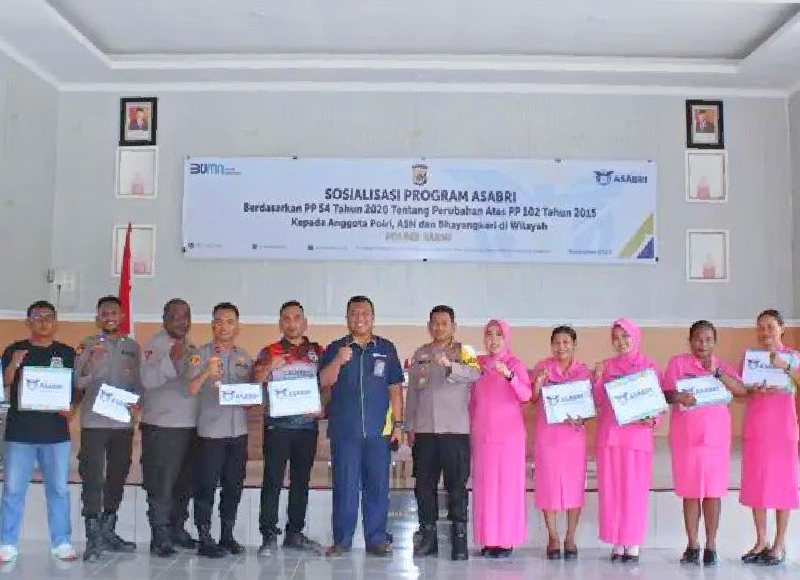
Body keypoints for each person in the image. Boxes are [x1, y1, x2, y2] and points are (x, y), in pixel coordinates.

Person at [319, 296, 404, 557]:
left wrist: (398, 425)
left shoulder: (386, 348)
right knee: (345, 486)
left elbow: (395, 389)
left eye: (365, 313)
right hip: (345, 432)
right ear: (347, 318)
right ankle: (342, 541)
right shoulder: (335, 348)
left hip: (379, 432)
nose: (360, 318)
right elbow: (323, 381)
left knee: (378, 486)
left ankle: (376, 539)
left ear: (373, 317)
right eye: (354, 314)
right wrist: (338, 361)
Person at [0, 301, 78, 563]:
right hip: (20, 433)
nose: (43, 322)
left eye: (48, 317)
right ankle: (7, 543)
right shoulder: (14, 350)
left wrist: (71, 408)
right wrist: (13, 365)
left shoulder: (67, 353)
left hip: (56, 435)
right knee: (12, 490)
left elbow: (76, 389)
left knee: (58, 489)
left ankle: (62, 541)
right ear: (27, 322)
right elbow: (5, 385)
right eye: (37, 317)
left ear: (55, 322)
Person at [663, 320, 745, 566]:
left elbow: (741, 391)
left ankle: (711, 546)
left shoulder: (722, 367)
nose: (703, 344)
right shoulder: (677, 364)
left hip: (715, 441)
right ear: (690, 341)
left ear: (715, 343)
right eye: (698, 339)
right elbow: (665, 393)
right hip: (686, 440)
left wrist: (717, 373)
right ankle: (692, 545)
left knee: (712, 493)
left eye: (708, 339)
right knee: (690, 493)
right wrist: (679, 396)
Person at [405, 305, 480, 561]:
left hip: (455, 431)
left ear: (453, 326)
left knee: (456, 486)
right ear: (429, 326)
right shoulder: (421, 353)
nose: (439, 327)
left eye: (444, 323)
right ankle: (428, 538)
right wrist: (408, 425)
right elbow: (413, 392)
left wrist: (450, 366)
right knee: (423, 487)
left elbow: (475, 374)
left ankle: (460, 542)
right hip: (425, 431)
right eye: (435, 323)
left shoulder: (465, 351)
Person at [255, 301, 325, 557]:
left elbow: (326, 385)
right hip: (277, 427)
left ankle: (294, 533)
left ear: (304, 322)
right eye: (286, 318)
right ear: (280, 323)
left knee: (301, 481)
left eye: (297, 318)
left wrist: (322, 408)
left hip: (307, 428)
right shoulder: (269, 351)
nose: (292, 323)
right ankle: (268, 535)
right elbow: (255, 382)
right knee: (272, 480)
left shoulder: (318, 351)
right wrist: (267, 368)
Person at [74, 296, 141, 561]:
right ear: (98, 317)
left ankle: (108, 529)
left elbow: (138, 384)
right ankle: (92, 537)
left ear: (122, 316)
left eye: (114, 312)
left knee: (117, 474)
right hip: (94, 422)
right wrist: (92, 363)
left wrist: (137, 404)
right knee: (92, 476)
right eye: (104, 313)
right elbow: (78, 382)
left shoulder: (133, 347)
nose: (109, 316)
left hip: (122, 423)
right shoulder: (87, 346)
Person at [593, 318, 664, 563]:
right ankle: (616, 540)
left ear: (636, 337)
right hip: (611, 436)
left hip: (637, 437)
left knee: (634, 490)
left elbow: (658, 405)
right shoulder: (607, 366)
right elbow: (598, 402)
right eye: (616, 338)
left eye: (626, 337)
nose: (621, 342)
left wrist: (652, 419)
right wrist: (598, 378)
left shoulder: (649, 366)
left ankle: (632, 542)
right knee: (612, 490)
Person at [188, 303, 252, 558]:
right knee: (205, 487)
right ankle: (204, 537)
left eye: (229, 322)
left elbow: (250, 395)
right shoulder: (199, 354)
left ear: (237, 326)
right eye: (218, 321)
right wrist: (206, 371)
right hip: (210, 433)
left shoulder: (244, 357)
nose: (223, 326)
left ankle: (227, 536)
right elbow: (191, 389)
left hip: (238, 433)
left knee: (233, 487)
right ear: (212, 325)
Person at [140, 299, 200, 556]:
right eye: (175, 316)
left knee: (183, 483)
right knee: (161, 483)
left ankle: (177, 528)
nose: (181, 321)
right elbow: (147, 379)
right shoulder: (155, 345)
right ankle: (160, 534)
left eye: (185, 316)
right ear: (164, 319)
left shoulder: (191, 346)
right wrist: (172, 362)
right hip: (162, 426)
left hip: (189, 425)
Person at [739, 309, 799, 566]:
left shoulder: (793, 357)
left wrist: (784, 366)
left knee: (782, 484)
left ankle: (779, 544)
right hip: (756, 427)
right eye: (761, 327)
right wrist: (752, 389)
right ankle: (761, 540)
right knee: (757, 482)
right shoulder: (751, 358)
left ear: (781, 329)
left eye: (770, 327)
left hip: (782, 429)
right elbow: (742, 388)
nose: (765, 332)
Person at [470, 320, 532, 558]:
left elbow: (526, 395)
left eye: (499, 335)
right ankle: (488, 539)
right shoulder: (479, 365)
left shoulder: (514, 364)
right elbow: (472, 400)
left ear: (506, 338)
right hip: (483, 435)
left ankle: (506, 540)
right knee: (486, 486)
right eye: (489, 334)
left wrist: (510, 377)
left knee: (507, 487)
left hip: (509, 437)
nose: (494, 340)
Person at [530, 326, 591, 561]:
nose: (561, 347)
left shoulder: (583, 371)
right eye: (557, 343)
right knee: (548, 486)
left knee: (575, 487)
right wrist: (538, 383)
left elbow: (590, 404)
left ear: (574, 345)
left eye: (566, 343)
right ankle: (553, 537)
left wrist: (582, 417)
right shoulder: (542, 368)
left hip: (573, 438)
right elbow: (532, 399)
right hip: (548, 436)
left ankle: (570, 537)